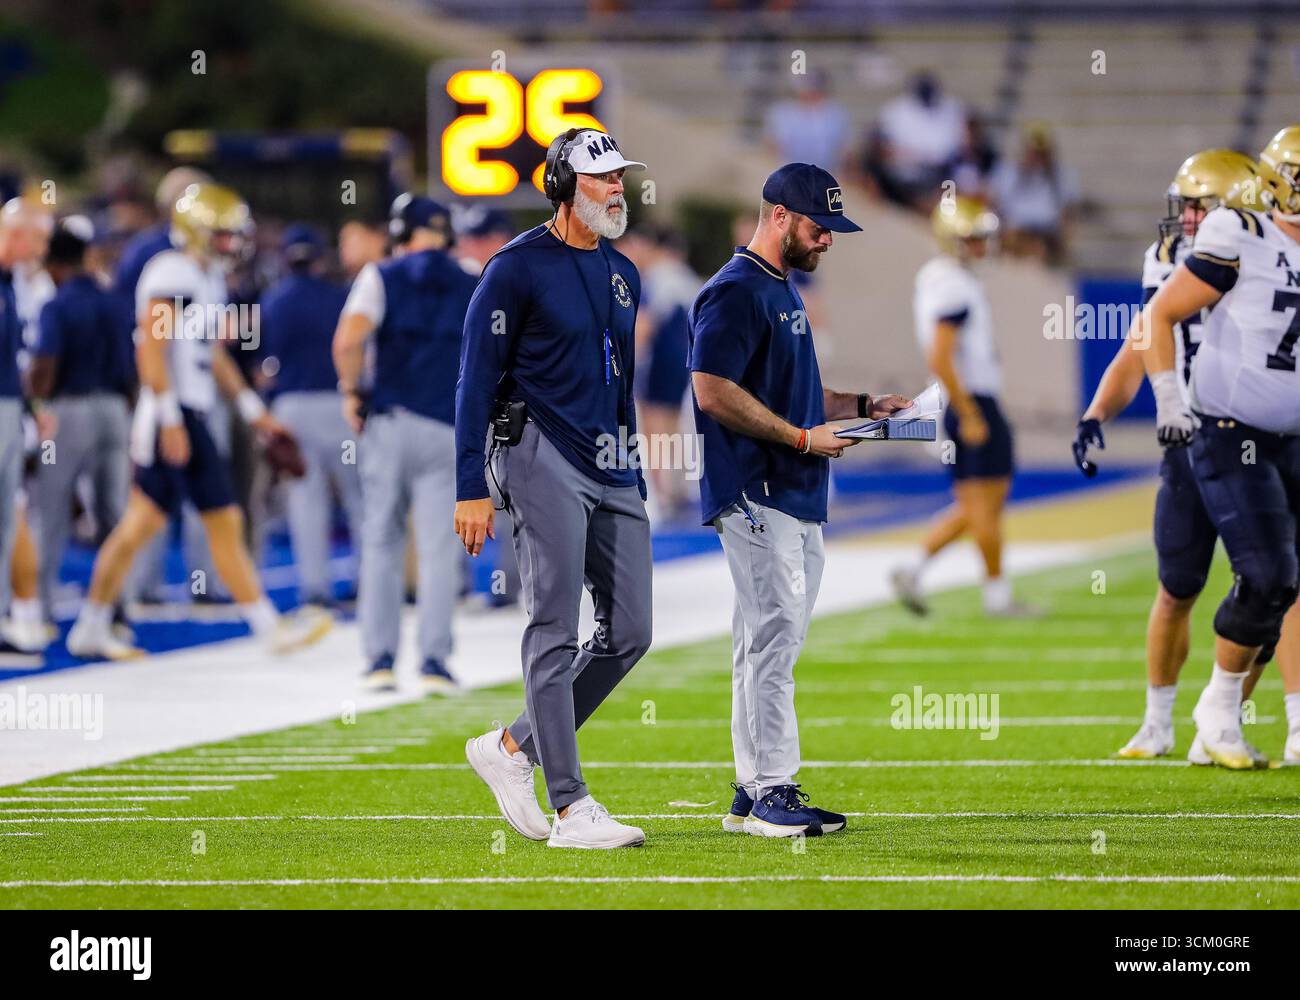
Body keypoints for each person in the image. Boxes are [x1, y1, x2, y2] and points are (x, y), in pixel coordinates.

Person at [692, 163, 911, 838]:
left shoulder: (775, 289)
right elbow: (712, 390)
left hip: (788, 489)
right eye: (820, 227)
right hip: (760, 489)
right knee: (773, 641)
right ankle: (771, 791)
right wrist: (799, 438)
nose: (828, 242)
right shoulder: (734, 291)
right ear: (780, 216)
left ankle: (749, 788)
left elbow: (799, 393)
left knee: (763, 641)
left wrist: (869, 407)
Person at [456, 128, 652, 850]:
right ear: (562, 186)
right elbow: (473, 380)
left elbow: (622, 381)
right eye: (601, 179)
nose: (615, 189)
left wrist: (632, 462)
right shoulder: (514, 267)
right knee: (553, 625)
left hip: (611, 463)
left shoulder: (624, 271)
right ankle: (571, 808)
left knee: (631, 631)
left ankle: (511, 749)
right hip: (539, 454)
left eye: (619, 178)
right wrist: (469, 483)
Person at [1072, 149, 1288, 764]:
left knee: (1268, 584)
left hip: (1250, 436)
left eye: (1199, 206)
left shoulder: (1265, 257)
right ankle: (1158, 723)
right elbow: (1142, 341)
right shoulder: (1167, 259)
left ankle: (1218, 725)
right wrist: (1096, 413)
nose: (1186, 218)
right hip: (1188, 441)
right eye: (1186, 205)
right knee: (1177, 585)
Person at [65, 183, 332, 659]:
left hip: (189, 410)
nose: (232, 244)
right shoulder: (173, 271)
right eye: (222, 235)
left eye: (234, 235)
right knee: (216, 519)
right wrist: (169, 417)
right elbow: (151, 346)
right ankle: (267, 627)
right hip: (172, 412)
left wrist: (255, 413)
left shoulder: (205, 278)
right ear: (196, 231)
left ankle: (92, 622)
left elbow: (212, 355)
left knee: (144, 526)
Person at [1141, 125, 1300, 768]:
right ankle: (1213, 704)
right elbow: (1159, 315)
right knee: (1262, 577)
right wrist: (1170, 400)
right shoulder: (1243, 232)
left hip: (1292, 437)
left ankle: (1267, 716)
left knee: (1287, 583)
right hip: (1229, 430)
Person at [333, 194, 475, 692]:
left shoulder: (380, 275)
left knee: (381, 541)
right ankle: (434, 662)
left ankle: (380, 660)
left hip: (391, 422)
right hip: (447, 427)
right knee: (438, 549)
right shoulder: (472, 278)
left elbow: (348, 341)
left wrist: (351, 392)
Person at [893, 197, 1036, 618]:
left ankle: (913, 568)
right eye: (973, 239)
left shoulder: (951, 278)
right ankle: (997, 598)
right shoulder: (950, 282)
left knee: (982, 505)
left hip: (971, 399)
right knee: (984, 505)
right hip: (969, 400)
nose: (981, 247)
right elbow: (940, 355)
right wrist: (969, 410)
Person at [27, 223, 135, 627]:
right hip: (114, 409)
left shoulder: (57, 305)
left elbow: (44, 365)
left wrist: (35, 404)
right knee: (115, 516)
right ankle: (116, 608)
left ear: (54, 263)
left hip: (67, 410)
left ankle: (39, 609)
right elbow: (132, 366)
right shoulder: (114, 301)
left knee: (51, 512)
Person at [258, 224, 360, 608]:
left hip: (293, 407)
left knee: (305, 501)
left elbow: (259, 362)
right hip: (340, 404)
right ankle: (367, 582)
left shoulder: (272, 300)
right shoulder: (341, 298)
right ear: (319, 258)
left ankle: (314, 589)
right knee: (360, 500)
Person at [619, 224, 700, 519]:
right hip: (683, 361)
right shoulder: (686, 276)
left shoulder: (655, 277)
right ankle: (675, 489)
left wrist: (630, 364)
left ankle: (661, 494)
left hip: (660, 362)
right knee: (672, 427)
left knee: (655, 429)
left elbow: (645, 325)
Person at [989, 123, 1080, 265]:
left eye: (1041, 153)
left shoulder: (1061, 176)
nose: (1037, 158)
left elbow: (1067, 214)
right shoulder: (1008, 174)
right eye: (1033, 152)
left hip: (1046, 237)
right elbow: (995, 206)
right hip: (1015, 234)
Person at [763, 69, 851, 176]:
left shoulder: (836, 113)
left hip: (825, 174)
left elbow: (843, 149)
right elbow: (772, 147)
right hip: (789, 176)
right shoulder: (782, 112)